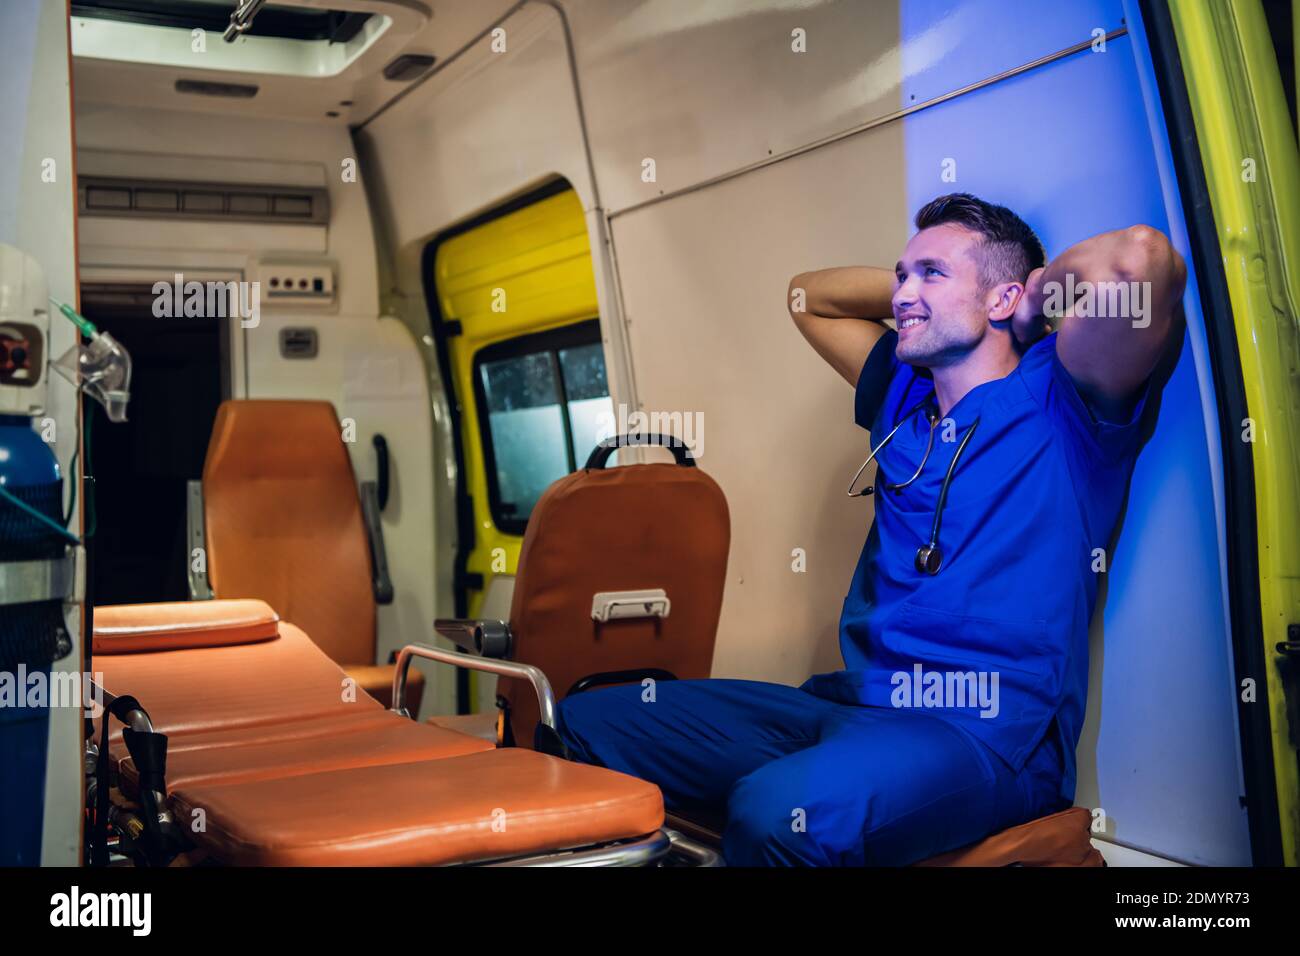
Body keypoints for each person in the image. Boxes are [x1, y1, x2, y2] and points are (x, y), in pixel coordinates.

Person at [556, 192, 1187, 865]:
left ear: (1002, 299)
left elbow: (1139, 260)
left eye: (931, 275)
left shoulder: (1065, 396)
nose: (904, 294)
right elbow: (808, 297)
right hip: (847, 706)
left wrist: (1035, 299)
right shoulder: (903, 395)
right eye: (900, 275)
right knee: (584, 724)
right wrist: (928, 289)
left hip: (982, 735)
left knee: (779, 814)